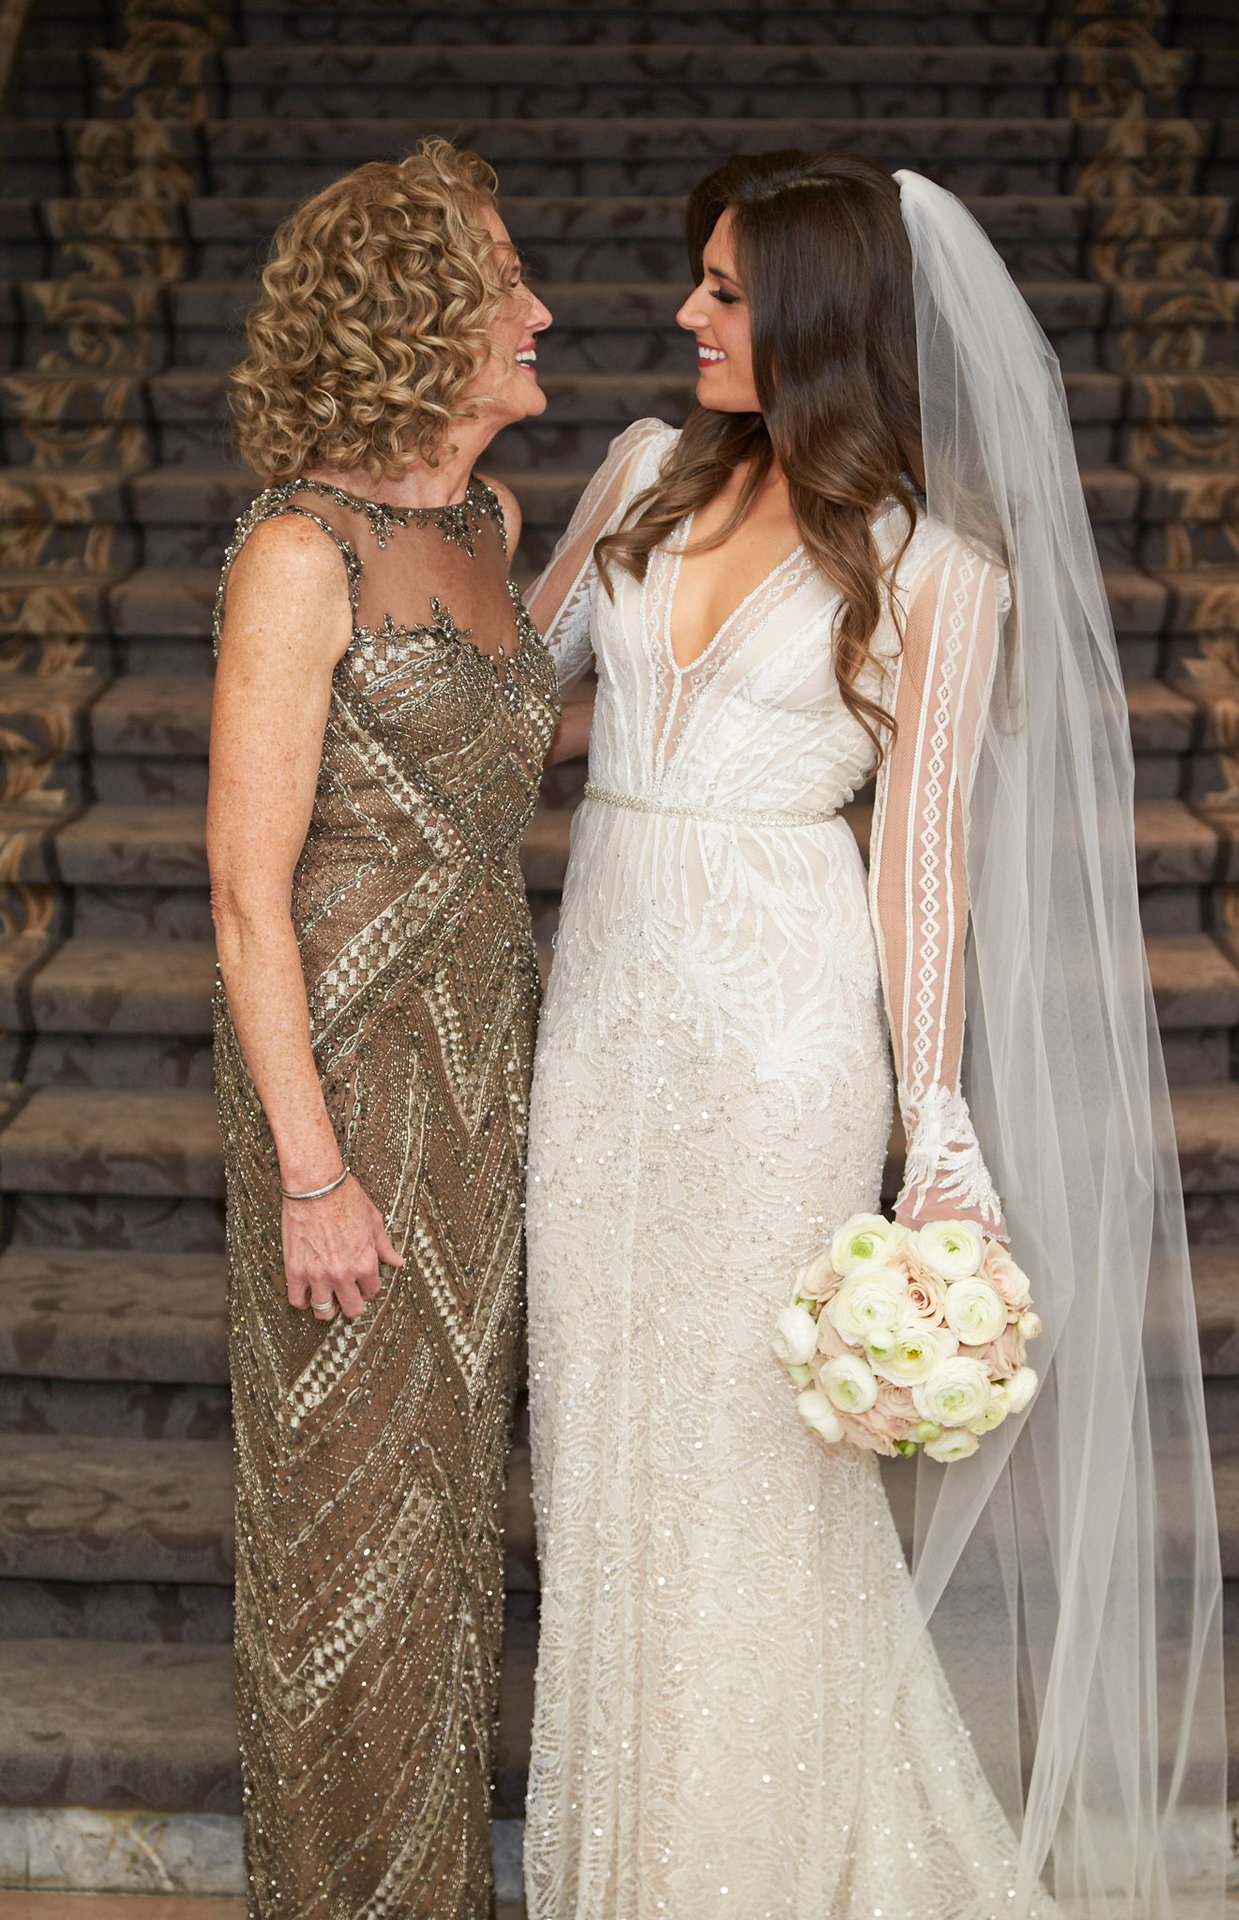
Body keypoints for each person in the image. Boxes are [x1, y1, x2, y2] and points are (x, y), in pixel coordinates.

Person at [522, 151, 1225, 1919]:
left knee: (760, 1472)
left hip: (778, 1041)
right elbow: (500, 706)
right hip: (601, 1025)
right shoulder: (630, 478)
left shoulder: (939, 568)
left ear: (820, 318)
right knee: (606, 1451)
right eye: (697, 282)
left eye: (726, 291)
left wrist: (940, 1126)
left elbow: (920, 866)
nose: (688, 314)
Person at [206, 137, 585, 1920]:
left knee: (447, 1534)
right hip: (342, 1095)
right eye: (505, 283)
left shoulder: (491, 526)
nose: (541, 311)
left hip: (487, 1083)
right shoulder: (303, 549)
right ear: (421, 322)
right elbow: (241, 895)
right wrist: (308, 1176)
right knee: (348, 1534)